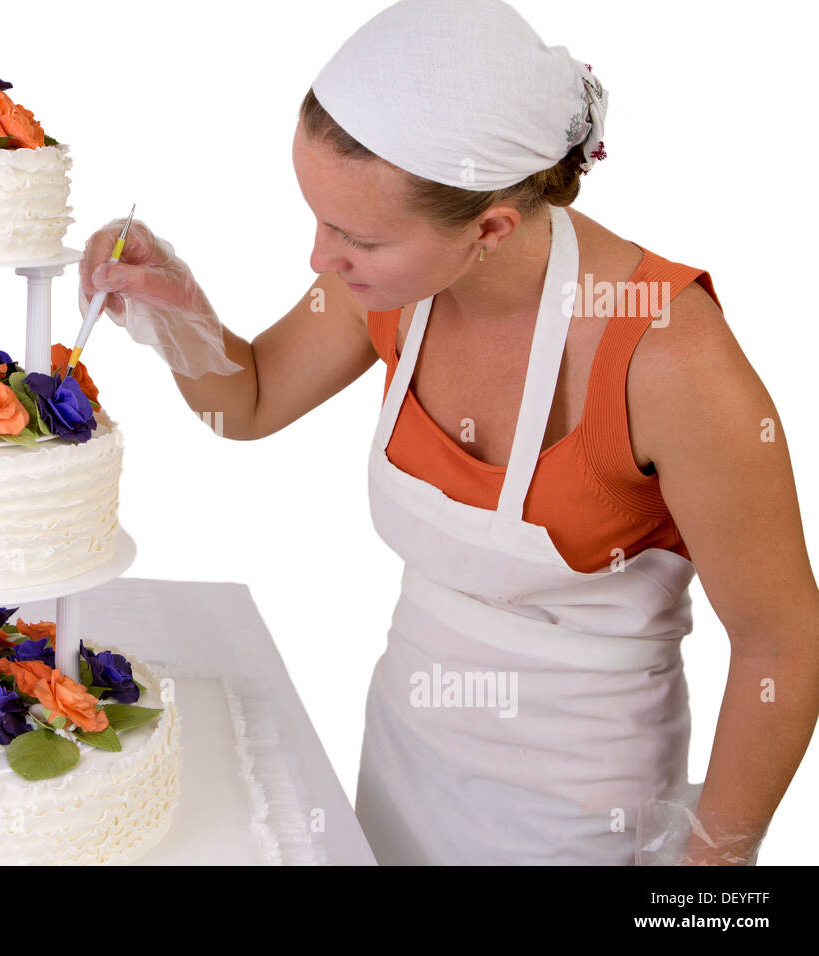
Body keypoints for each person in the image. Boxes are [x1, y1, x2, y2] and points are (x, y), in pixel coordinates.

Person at [77, 0, 819, 865]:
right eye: (317, 218)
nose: (321, 259)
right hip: (400, 766)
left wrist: (710, 877)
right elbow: (248, 402)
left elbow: (784, 641)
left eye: (354, 236)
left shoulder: (668, 358)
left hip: (581, 823)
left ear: (491, 228)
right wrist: (179, 312)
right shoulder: (388, 288)